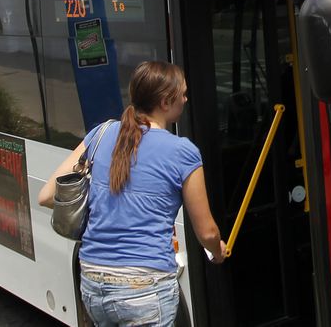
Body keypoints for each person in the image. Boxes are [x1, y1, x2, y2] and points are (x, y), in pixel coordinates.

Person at [39, 61, 227, 326]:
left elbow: (47, 195)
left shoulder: (101, 134)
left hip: (93, 281)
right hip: (144, 287)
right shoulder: (183, 152)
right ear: (165, 102)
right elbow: (207, 232)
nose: (186, 100)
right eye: (183, 94)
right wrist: (217, 250)